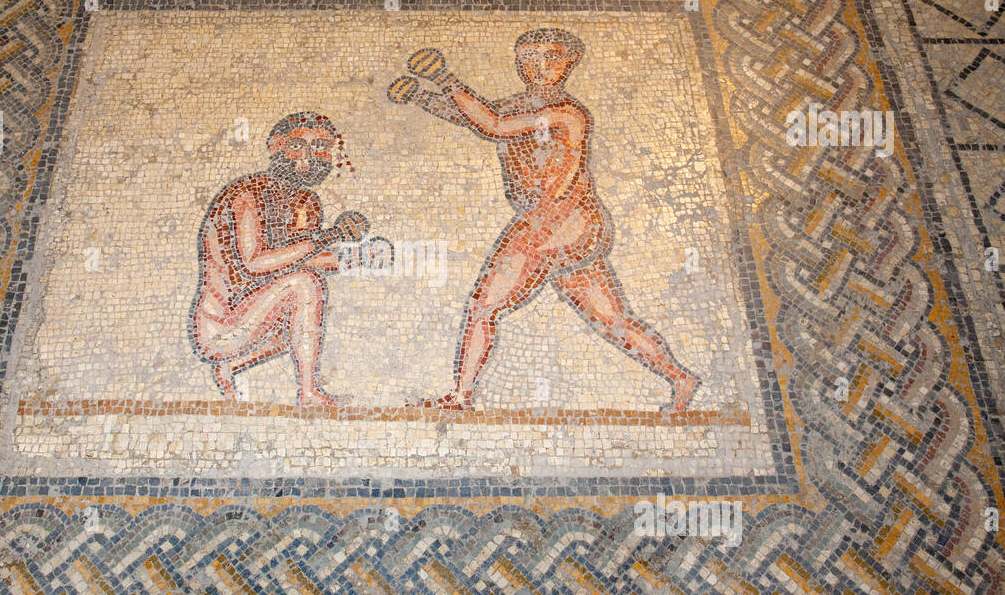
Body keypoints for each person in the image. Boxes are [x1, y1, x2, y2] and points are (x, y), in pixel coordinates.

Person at [388, 28, 699, 412]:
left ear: (571, 62)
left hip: (555, 221)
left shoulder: (568, 113)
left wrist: (443, 78)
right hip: (575, 229)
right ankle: (680, 377)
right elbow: (468, 115)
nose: (538, 65)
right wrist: (421, 96)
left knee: (483, 307)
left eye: (550, 57)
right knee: (613, 319)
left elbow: (494, 126)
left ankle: (460, 396)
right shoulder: (515, 105)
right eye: (529, 57)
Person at [190, 112, 368, 406]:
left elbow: (299, 259)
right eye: (298, 144)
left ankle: (232, 367)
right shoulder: (245, 194)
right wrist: (327, 237)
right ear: (276, 146)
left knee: (307, 308)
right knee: (306, 286)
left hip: (257, 316)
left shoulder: (306, 202)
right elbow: (256, 262)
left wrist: (354, 258)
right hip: (220, 326)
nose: (309, 156)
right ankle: (309, 392)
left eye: (321, 145)